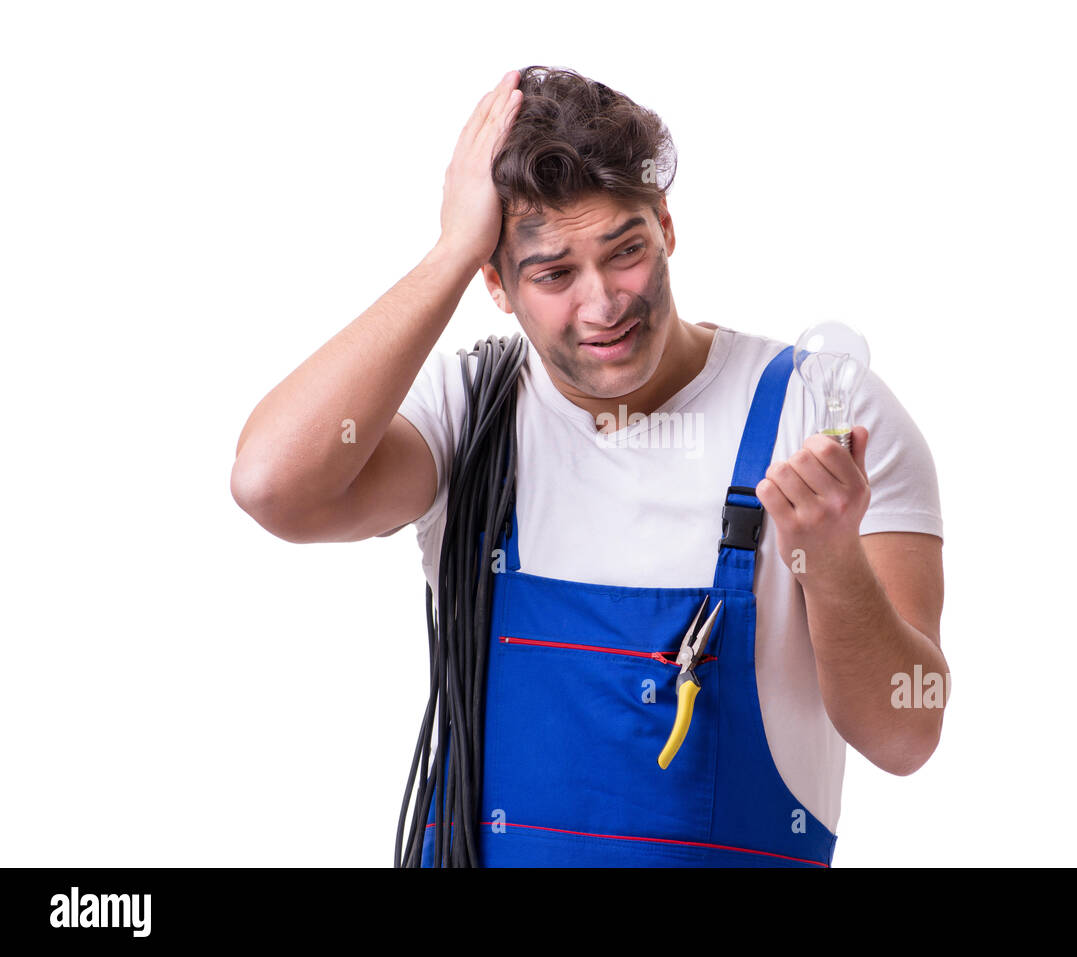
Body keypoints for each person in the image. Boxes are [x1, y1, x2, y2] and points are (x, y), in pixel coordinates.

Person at [231, 65, 947, 867]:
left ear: (667, 228)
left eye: (626, 250)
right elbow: (271, 484)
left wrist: (835, 557)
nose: (604, 303)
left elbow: (906, 730)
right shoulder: (469, 412)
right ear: (496, 283)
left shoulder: (824, 416)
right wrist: (450, 252)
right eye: (553, 273)